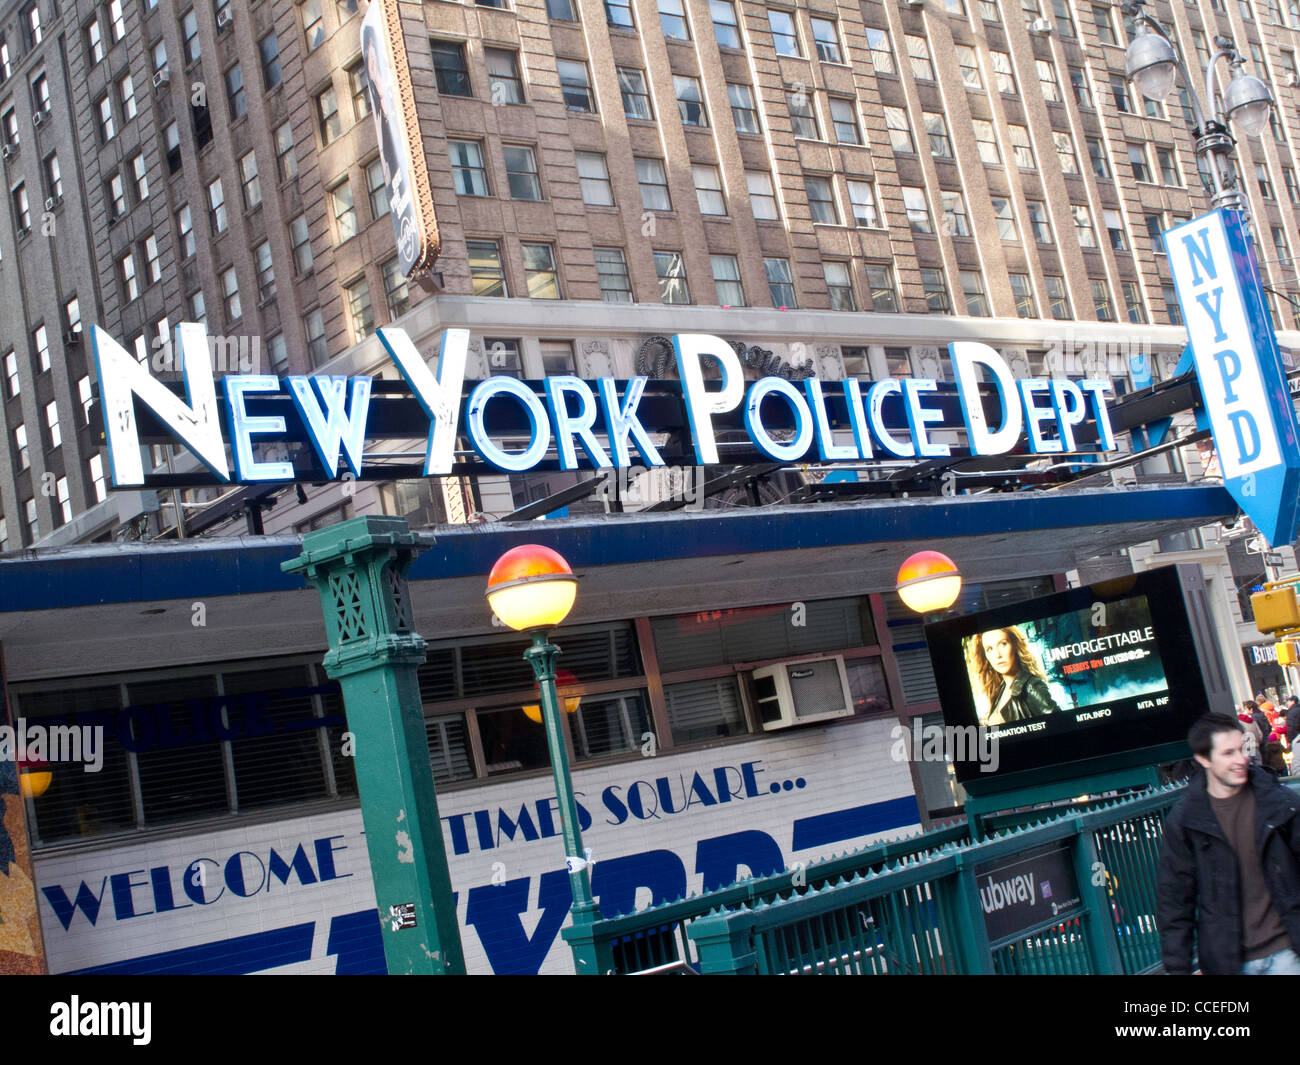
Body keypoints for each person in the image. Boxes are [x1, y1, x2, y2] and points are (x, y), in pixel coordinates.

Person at [1157, 712, 1300, 974]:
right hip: (1229, 963)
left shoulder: (1279, 801)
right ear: (1204, 759)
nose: (1241, 759)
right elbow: (1175, 901)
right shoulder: (1185, 820)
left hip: (1287, 953)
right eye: (1228, 753)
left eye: (1241, 749)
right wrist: (1179, 969)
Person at [966, 626, 1060, 727]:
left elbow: (1059, 725)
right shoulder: (1000, 690)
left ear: (1015, 645)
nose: (997, 655)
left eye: (1003, 644)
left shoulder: (1031, 686)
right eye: (989, 649)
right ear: (986, 656)